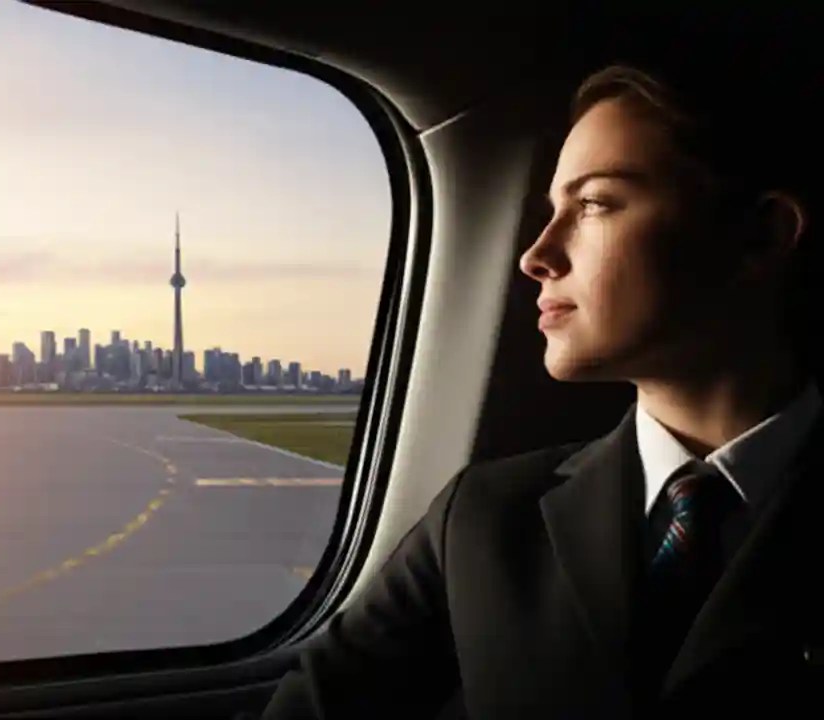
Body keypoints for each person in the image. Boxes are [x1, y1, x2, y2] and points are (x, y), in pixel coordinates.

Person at [259, 42, 820, 720]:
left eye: (595, 204)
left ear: (760, 237)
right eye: (552, 208)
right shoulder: (481, 520)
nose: (536, 255)